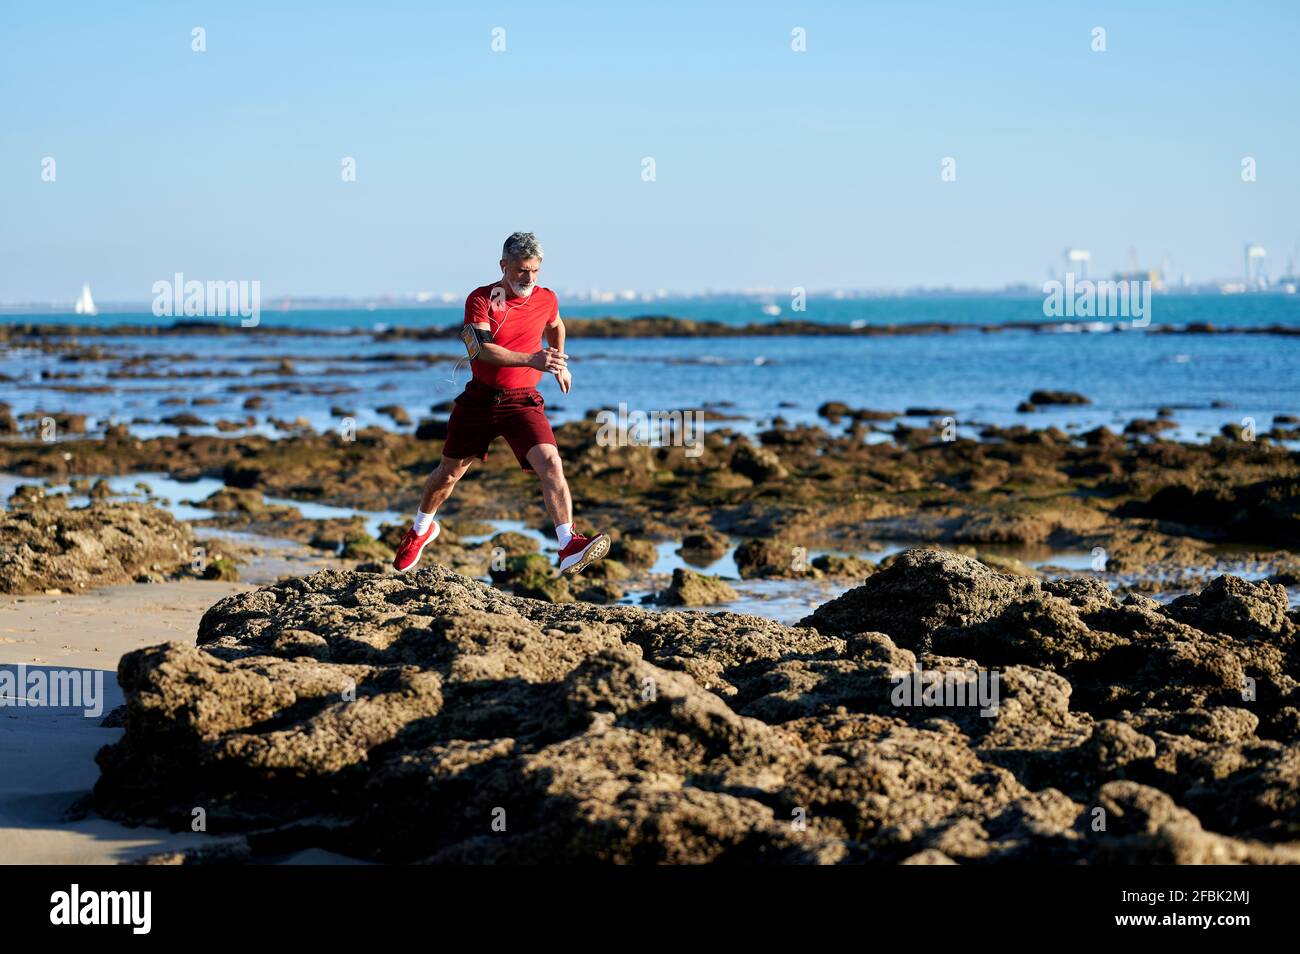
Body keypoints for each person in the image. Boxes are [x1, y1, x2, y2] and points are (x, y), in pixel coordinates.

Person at [392, 232, 611, 577]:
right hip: (479, 400)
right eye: (522, 270)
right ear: (504, 265)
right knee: (447, 475)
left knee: (552, 464)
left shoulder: (546, 298)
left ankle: (568, 543)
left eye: (535, 271)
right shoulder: (480, 299)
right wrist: (533, 359)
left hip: (522, 402)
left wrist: (559, 362)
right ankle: (420, 530)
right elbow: (479, 349)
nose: (529, 278)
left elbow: (556, 324)